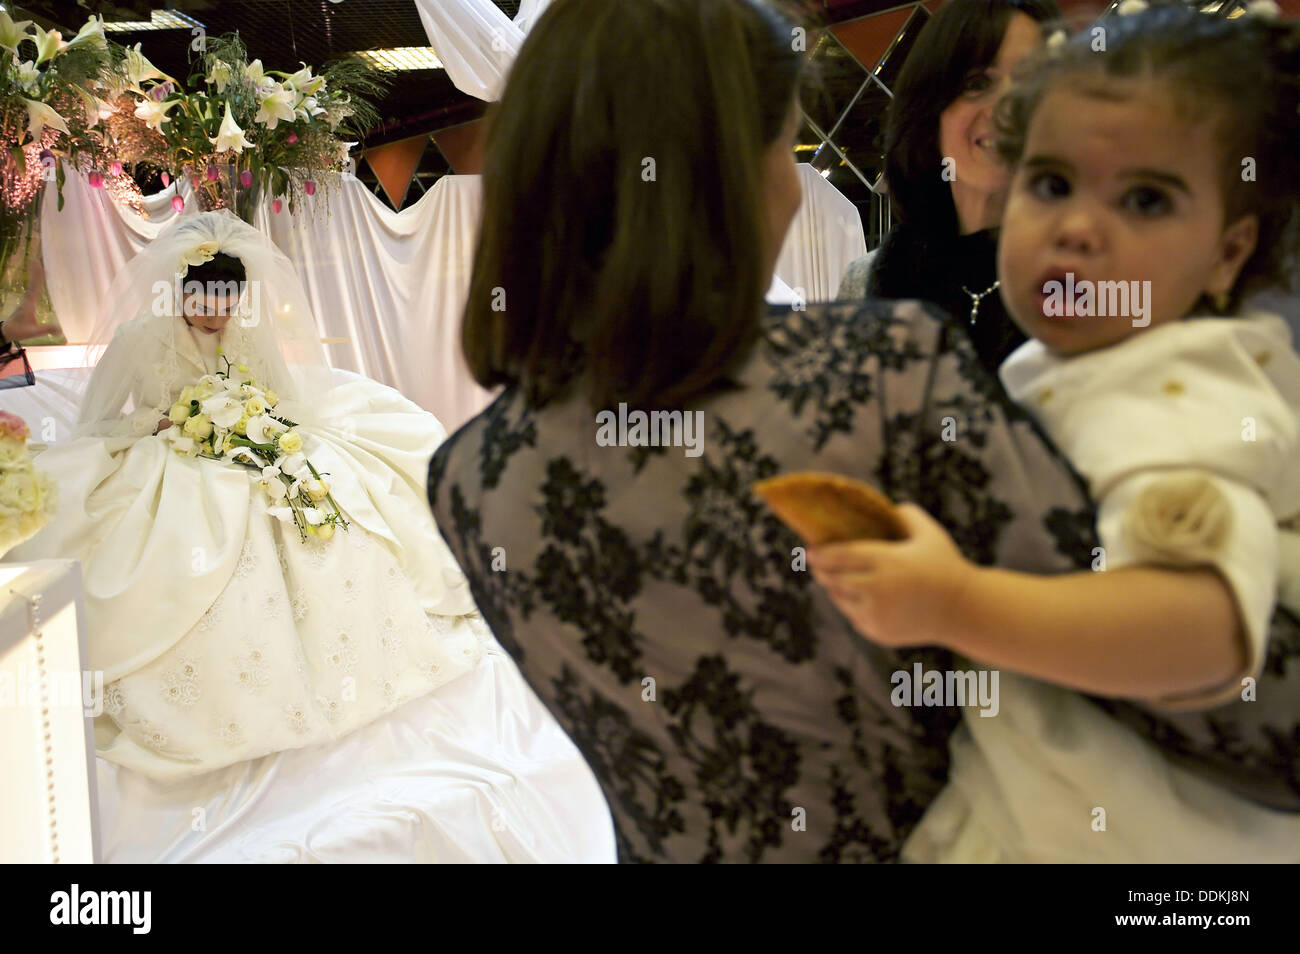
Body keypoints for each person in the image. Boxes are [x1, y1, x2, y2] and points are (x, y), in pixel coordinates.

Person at [426, 0, 1239, 863]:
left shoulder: (466, 477)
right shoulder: (883, 371)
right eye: (782, 146)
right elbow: (1131, 671)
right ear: (729, 170)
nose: (791, 185)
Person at [812, 6, 1300, 861]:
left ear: (1229, 253)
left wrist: (956, 602)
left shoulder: (1179, 389)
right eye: (1051, 183)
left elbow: (1202, 628)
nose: (1077, 225)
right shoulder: (1071, 362)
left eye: (1145, 198)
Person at [12, 211, 485, 780]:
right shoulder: (140, 339)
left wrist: (255, 420)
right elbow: (99, 423)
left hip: (251, 446)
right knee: (199, 518)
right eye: (205, 302)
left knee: (318, 493)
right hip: (172, 455)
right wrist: (162, 426)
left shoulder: (245, 333)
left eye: (227, 303)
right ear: (180, 292)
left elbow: (279, 399)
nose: (216, 316)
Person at [837, 0, 1064, 379]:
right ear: (931, 111)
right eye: (977, 84)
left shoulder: (1097, 278)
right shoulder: (866, 284)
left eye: (1032, 82)